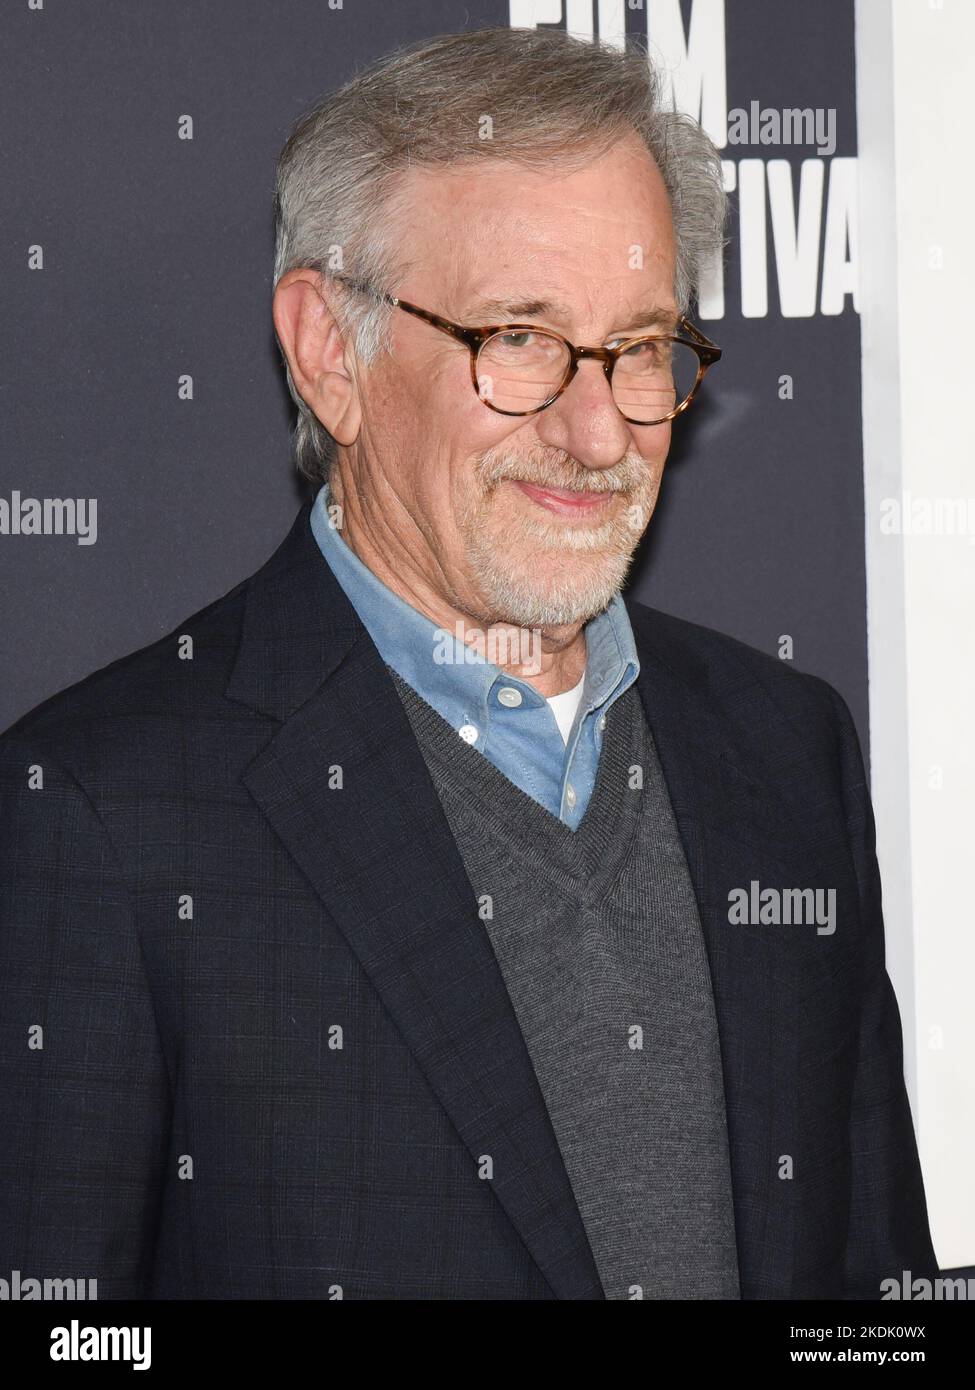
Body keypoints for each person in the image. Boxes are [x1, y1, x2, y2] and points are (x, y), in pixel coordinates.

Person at [0, 26, 937, 1300]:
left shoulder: (786, 751)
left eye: (642, 343)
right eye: (519, 340)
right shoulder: (101, 817)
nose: (599, 426)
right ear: (332, 352)